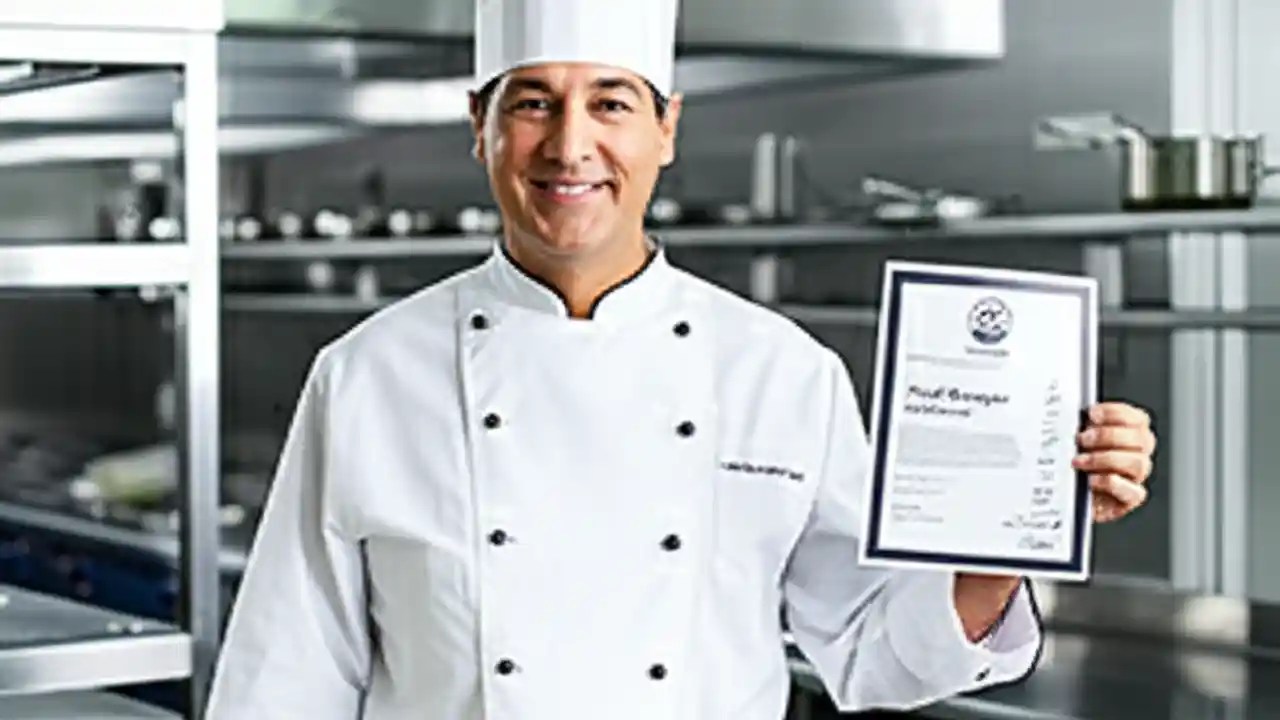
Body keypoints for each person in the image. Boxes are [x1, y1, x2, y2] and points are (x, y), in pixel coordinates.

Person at [204, 0, 1157, 717]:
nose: (570, 145)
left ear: (666, 128)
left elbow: (874, 651)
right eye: (533, 102)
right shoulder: (366, 375)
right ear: (479, 125)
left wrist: (1016, 524)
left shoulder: (781, 373)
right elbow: (284, 679)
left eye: (610, 103)